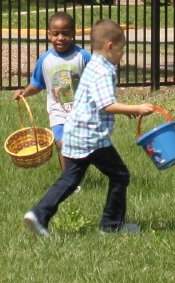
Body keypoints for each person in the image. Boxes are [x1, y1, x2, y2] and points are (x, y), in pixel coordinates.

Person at [22, 19, 158, 238]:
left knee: (69, 179)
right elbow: (107, 105)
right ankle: (111, 226)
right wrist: (136, 107)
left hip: (74, 134)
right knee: (120, 175)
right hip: (92, 138)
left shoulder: (92, 64)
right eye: (122, 50)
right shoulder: (103, 71)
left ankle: (38, 215)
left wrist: (125, 110)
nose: (122, 55)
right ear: (110, 46)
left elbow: (97, 102)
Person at [14, 10, 88, 140]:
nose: (60, 38)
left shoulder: (83, 57)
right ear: (49, 34)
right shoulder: (45, 60)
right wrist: (24, 92)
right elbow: (37, 84)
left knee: (81, 148)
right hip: (57, 112)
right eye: (55, 34)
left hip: (83, 113)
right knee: (61, 143)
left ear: (73, 33)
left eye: (65, 33)